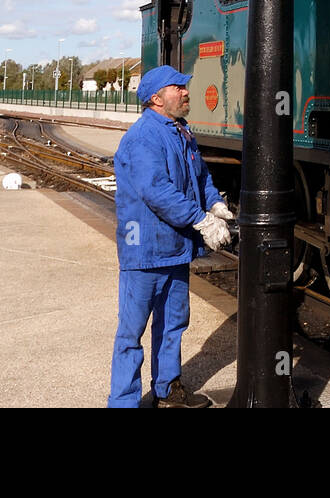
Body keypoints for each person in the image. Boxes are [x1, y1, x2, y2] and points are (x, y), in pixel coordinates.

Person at [108, 64, 234, 408]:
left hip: (175, 248)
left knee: (173, 323)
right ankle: (123, 402)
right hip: (145, 249)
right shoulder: (142, 137)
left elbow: (201, 175)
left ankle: (167, 390)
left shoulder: (182, 132)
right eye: (178, 87)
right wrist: (201, 220)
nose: (185, 91)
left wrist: (215, 204)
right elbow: (156, 190)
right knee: (131, 333)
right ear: (156, 98)